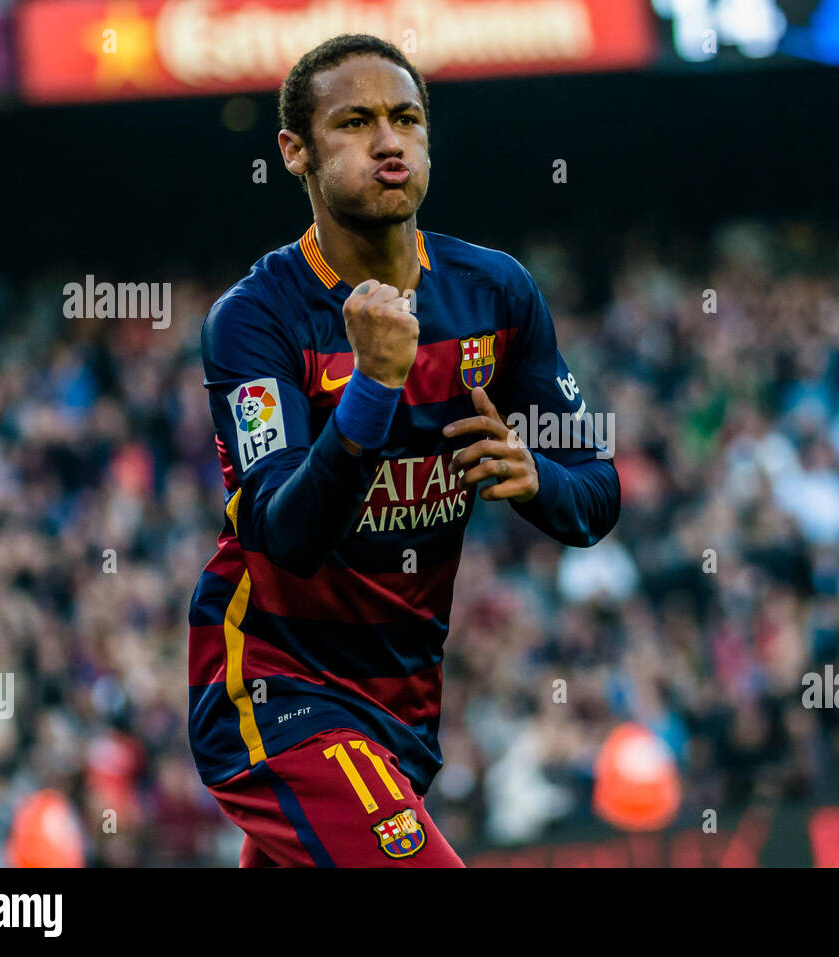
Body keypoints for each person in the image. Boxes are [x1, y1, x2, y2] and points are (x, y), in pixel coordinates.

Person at [187, 33, 620, 866]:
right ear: (295, 152)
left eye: (406, 118)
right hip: (276, 685)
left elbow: (598, 493)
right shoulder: (257, 318)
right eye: (354, 122)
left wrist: (537, 482)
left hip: (404, 702)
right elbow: (286, 536)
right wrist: (373, 389)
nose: (389, 140)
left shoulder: (495, 294)